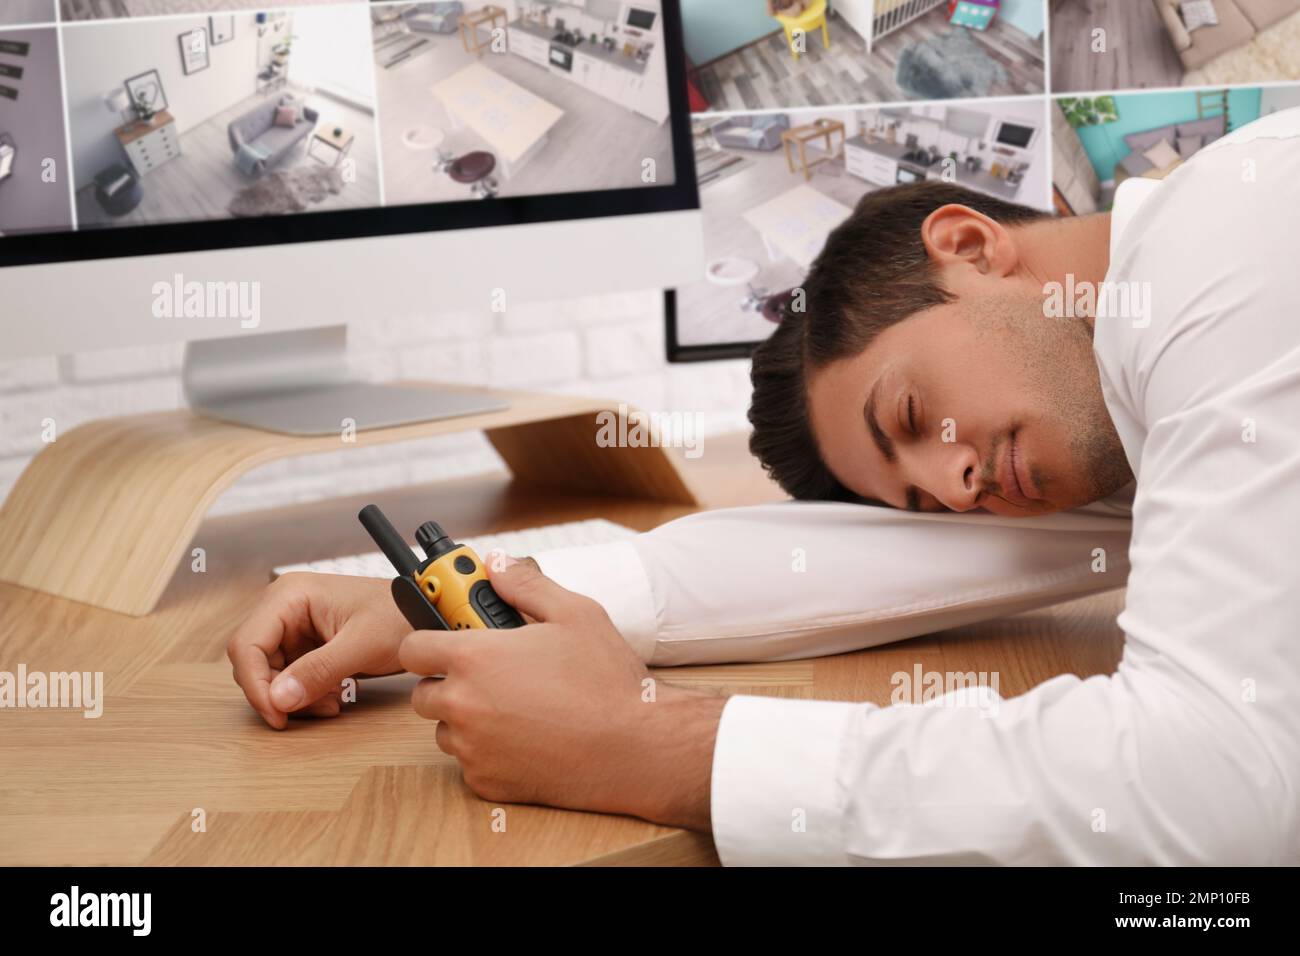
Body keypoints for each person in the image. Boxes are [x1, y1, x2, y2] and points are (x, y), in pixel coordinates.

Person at [229, 109, 1300, 864]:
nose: (958, 485)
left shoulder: (1221, 247)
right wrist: (454, 595)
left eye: (907, 417)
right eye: (919, 495)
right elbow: (860, 562)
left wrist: (645, 744)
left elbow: (1216, 787)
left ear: (969, 247)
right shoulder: (1109, 407)